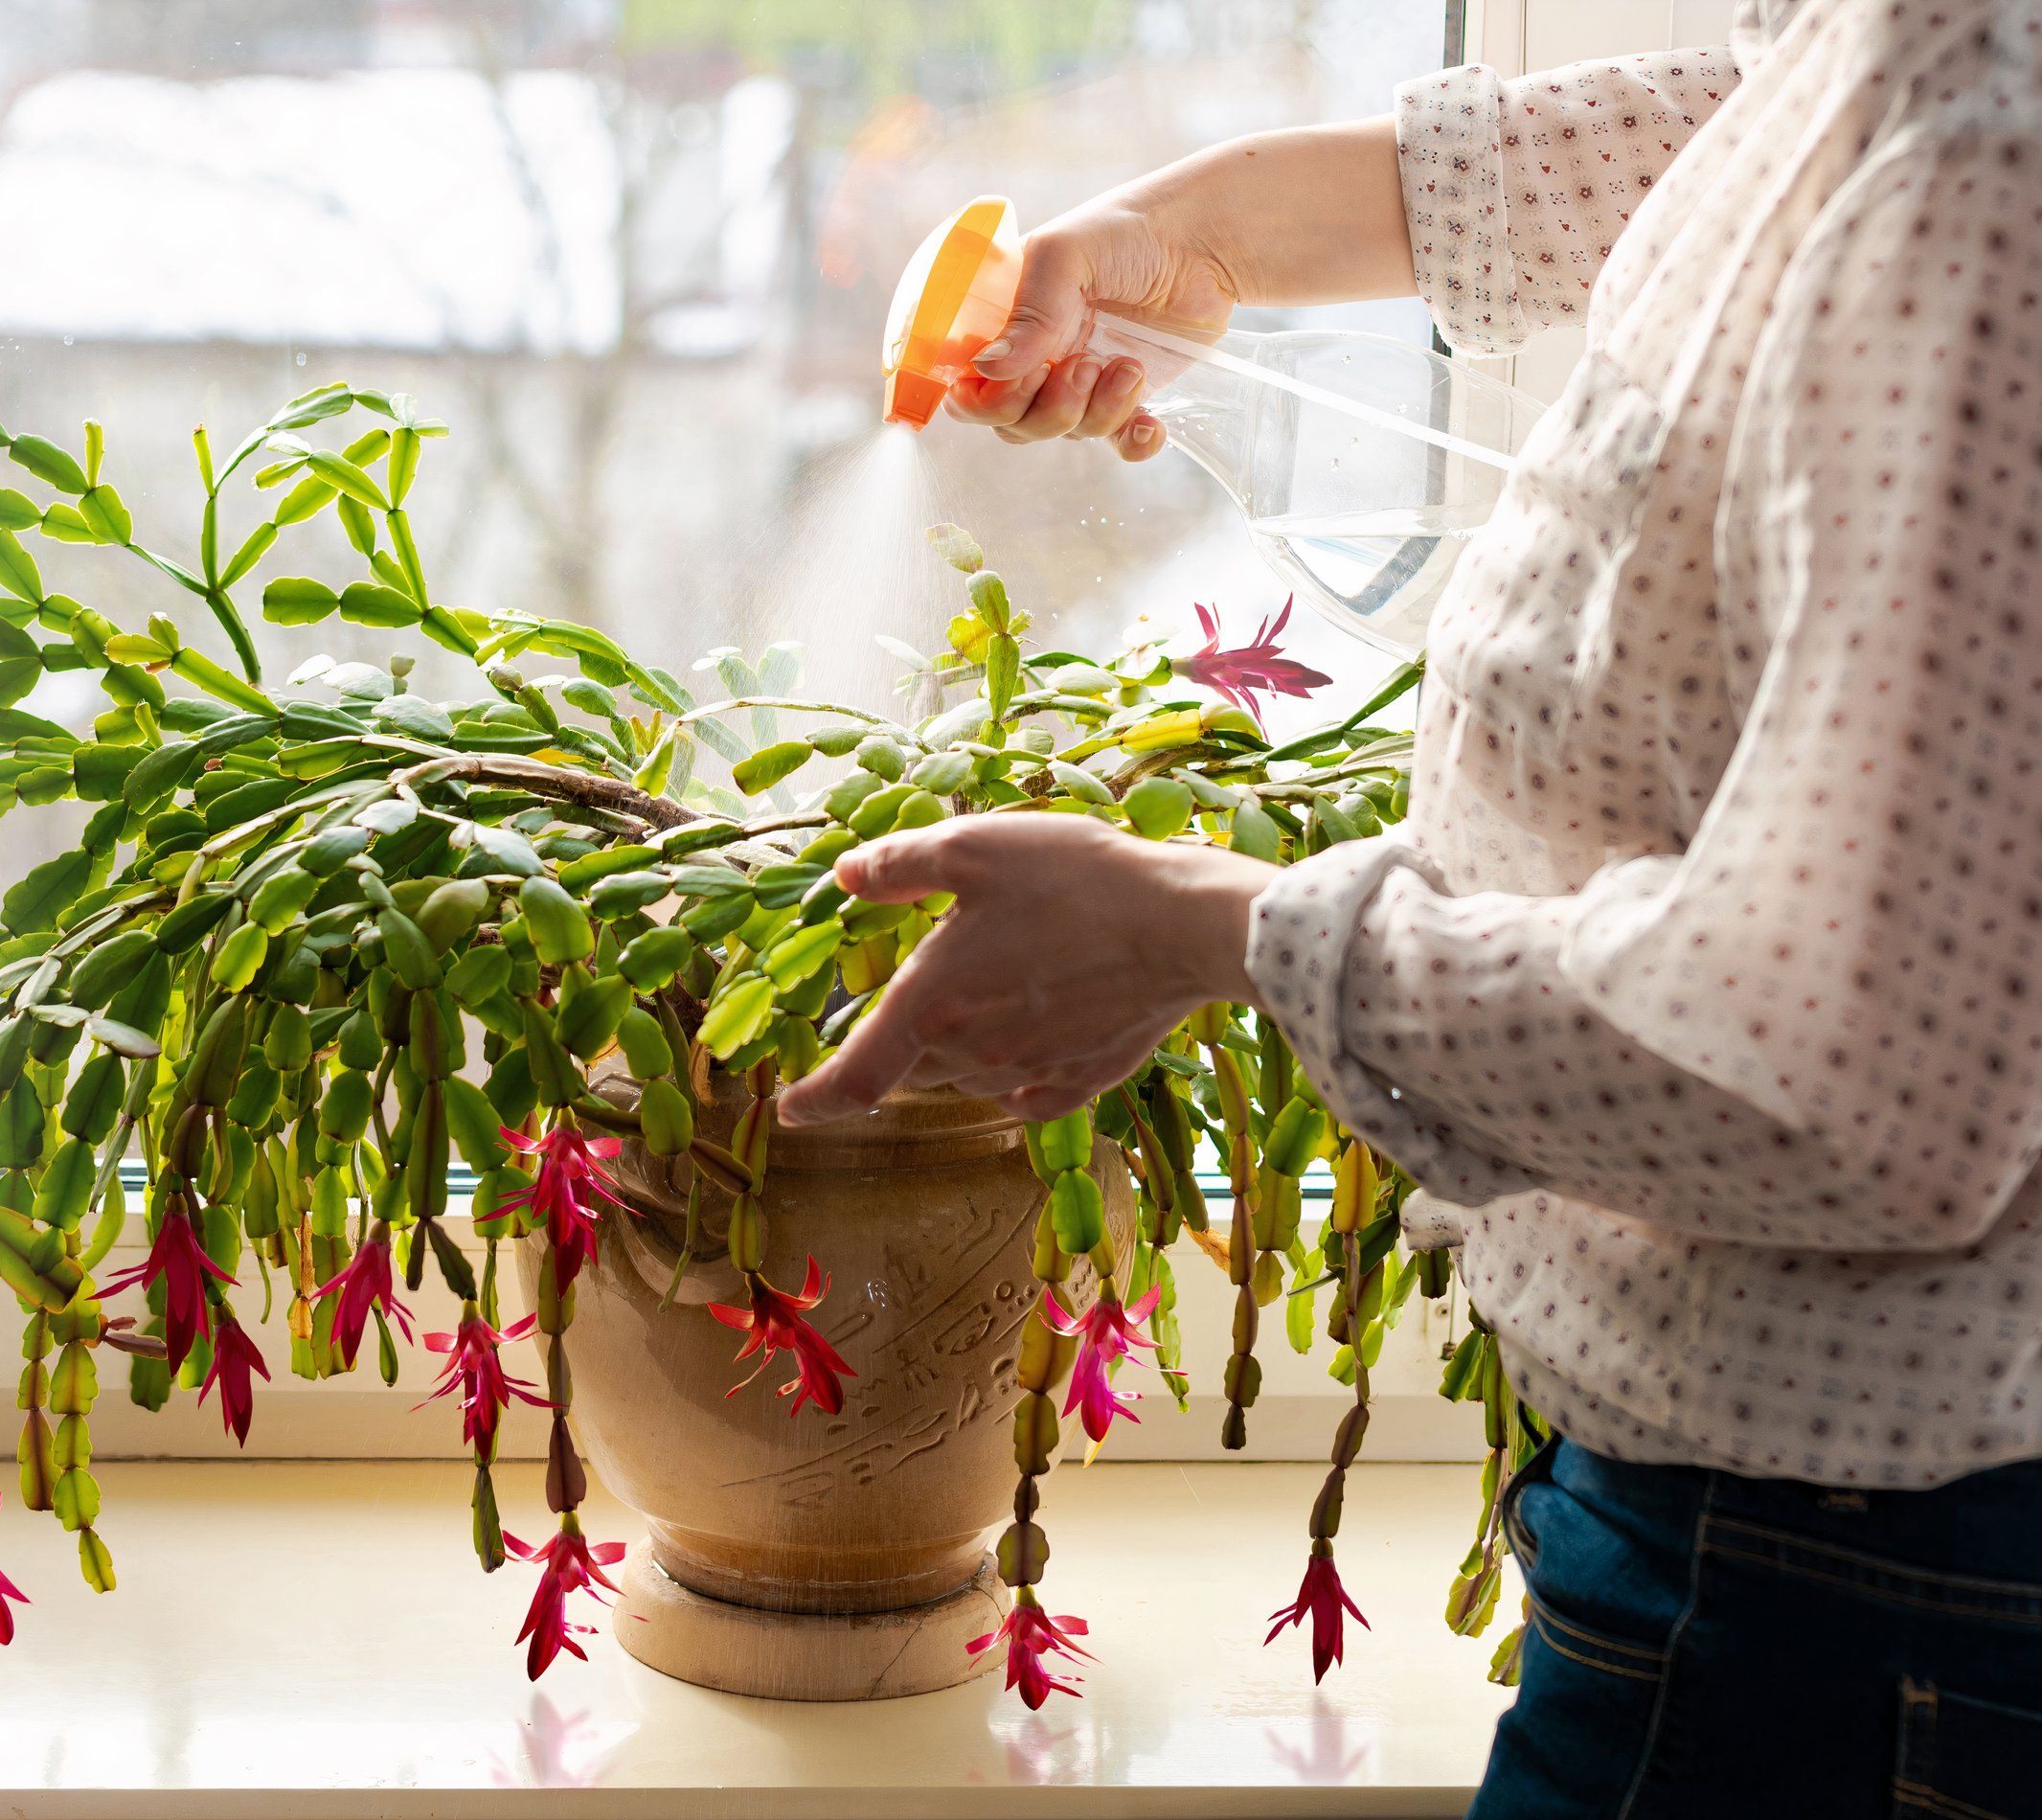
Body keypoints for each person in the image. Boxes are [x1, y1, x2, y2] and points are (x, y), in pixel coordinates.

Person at [778, 2, 2042, 1813]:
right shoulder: (1907, 76)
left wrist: (1213, 929)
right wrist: (1199, 237)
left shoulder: (1989, 154)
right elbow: (1738, 140)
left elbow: (1854, 1080)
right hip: (1794, 1548)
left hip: (1858, 1600)